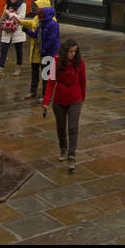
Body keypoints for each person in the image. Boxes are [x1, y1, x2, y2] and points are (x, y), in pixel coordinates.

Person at [43, 39, 86, 173]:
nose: (73, 54)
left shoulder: (79, 62)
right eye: (70, 51)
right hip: (59, 100)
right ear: (65, 51)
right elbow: (51, 82)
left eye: (75, 51)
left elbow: (82, 80)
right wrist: (46, 101)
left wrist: (82, 98)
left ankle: (72, 155)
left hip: (75, 99)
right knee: (61, 127)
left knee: (73, 127)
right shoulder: (56, 62)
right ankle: (63, 148)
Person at [21, 0, 59, 101]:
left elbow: (52, 40)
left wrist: (45, 49)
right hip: (42, 52)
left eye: (39, 14)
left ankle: (46, 96)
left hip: (49, 53)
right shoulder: (41, 23)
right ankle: (42, 94)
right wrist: (26, 30)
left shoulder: (52, 23)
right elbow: (35, 34)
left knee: (47, 75)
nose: (37, 17)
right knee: (42, 73)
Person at [0, 0, 28, 79]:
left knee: (19, 49)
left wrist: (10, 14)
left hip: (17, 30)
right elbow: (3, 17)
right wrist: (5, 13)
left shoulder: (22, 5)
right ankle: (0, 69)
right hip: (7, 29)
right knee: (3, 49)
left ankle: (18, 67)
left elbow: (20, 18)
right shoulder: (7, 4)